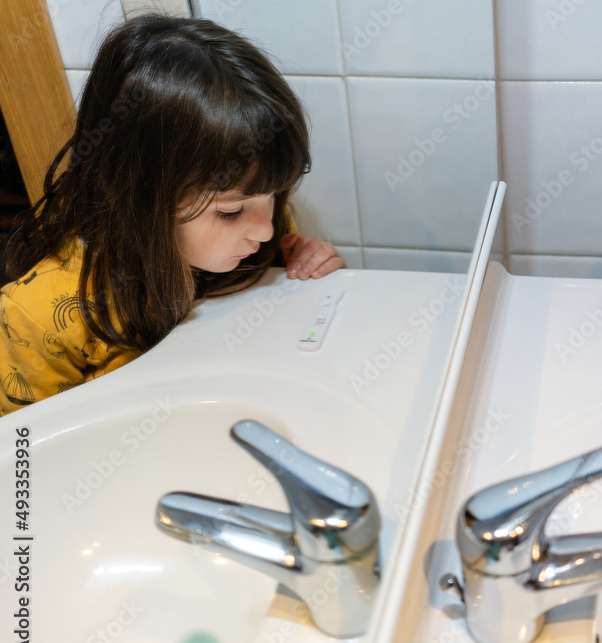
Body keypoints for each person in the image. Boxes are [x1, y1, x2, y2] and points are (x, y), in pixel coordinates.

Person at [0, 15, 345, 415]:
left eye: (274, 197)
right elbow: (19, 455)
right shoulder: (36, 319)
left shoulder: (259, 234)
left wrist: (306, 266)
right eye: (231, 212)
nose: (267, 231)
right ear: (139, 196)